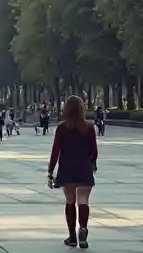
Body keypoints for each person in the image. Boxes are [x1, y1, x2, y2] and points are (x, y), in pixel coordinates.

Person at [47, 96, 99, 249]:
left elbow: (55, 151)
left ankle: (72, 237)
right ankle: (83, 228)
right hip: (84, 167)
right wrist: (92, 162)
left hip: (67, 168)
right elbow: (94, 151)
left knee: (70, 201)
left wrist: (50, 172)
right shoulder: (89, 127)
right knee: (83, 199)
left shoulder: (62, 128)